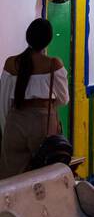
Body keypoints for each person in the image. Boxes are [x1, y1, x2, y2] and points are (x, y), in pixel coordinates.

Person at [0, 19, 69, 178]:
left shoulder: (11, 63)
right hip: (43, 123)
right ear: (48, 39)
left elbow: (3, 100)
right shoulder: (54, 64)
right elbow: (64, 99)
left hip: (15, 121)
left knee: (10, 177)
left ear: (28, 36)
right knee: (44, 175)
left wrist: (6, 127)